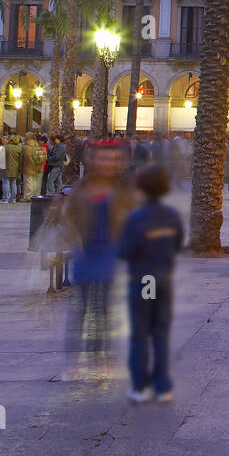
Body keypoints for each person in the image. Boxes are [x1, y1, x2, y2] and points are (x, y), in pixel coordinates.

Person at [64, 141, 132, 379]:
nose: (107, 164)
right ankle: (74, 359)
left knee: (103, 307)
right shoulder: (81, 190)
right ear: (91, 162)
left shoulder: (121, 192)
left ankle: (100, 355)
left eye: (112, 159)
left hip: (109, 254)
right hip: (86, 254)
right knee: (81, 307)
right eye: (102, 159)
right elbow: (65, 220)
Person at [118, 162, 184, 404]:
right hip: (164, 278)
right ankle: (162, 386)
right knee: (160, 333)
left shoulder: (136, 218)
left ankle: (139, 385)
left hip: (143, 279)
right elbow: (177, 245)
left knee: (140, 333)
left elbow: (125, 251)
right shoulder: (171, 215)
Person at [22, 133, 45, 201]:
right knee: (36, 183)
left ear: (27, 138)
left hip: (28, 167)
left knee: (28, 182)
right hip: (38, 167)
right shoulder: (37, 145)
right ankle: (36, 196)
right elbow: (41, 158)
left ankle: (28, 197)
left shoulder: (26, 147)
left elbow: (25, 158)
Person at [3, 133, 23, 203]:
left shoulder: (6, 147)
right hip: (16, 167)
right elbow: (21, 160)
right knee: (14, 183)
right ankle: (13, 199)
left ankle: (6, 198)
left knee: (6, 182)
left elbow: (1, 158)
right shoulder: (19, 148)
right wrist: (20, 168)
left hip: (6, 167)